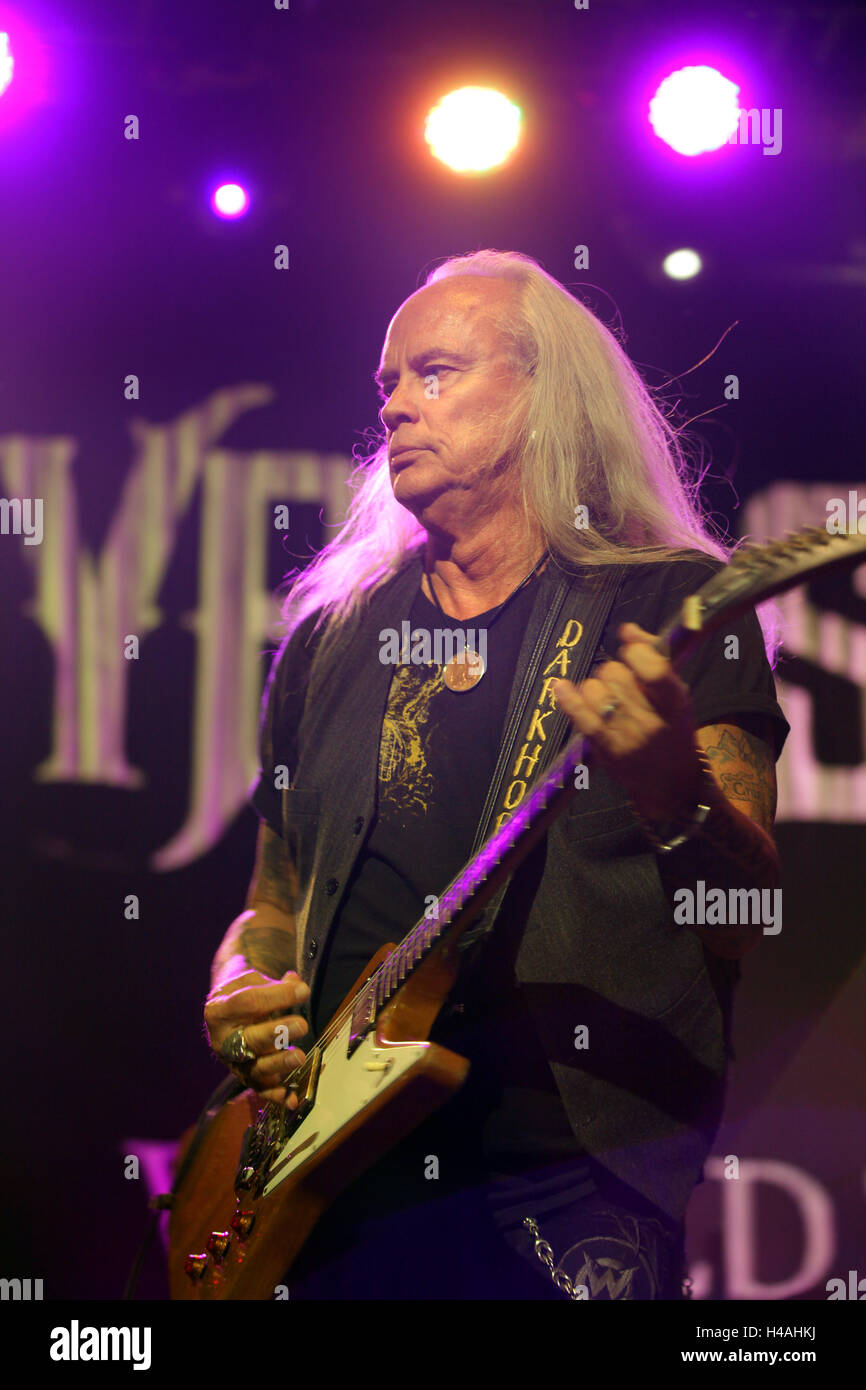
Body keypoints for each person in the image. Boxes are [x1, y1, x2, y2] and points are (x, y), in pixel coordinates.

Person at [203, 250, 789, 1300]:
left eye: (433, 372)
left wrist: (671, 788)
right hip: (332, 1168)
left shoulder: (671, 606)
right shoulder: (332, 635)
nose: (394, 407)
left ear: (540, 395)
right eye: (386, 383)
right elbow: (275, 896)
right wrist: (239, 981)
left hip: (567, 1174)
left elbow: (744, 911)